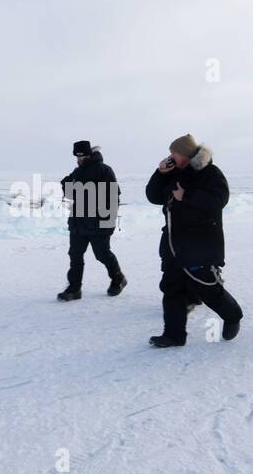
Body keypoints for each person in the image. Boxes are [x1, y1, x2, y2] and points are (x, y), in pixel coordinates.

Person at [145, 134, 243, 347]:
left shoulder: (211, 174)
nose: (171, 157)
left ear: (186, 154)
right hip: (173, 243)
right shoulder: (174, 173)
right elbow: (153, 196)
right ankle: (174, 335)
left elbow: (219, 201)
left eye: (174, 154)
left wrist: (186, 196)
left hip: (201, 243)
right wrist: (160, 173)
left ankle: (233, 315)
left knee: (207, 290)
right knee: (172, 289)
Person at [57, 140, 124, 300]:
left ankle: (118, 278)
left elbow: (114, 197)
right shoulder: (77, 171)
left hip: (98, 223)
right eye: (76, 156)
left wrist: (109, 222)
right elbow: (70, 195)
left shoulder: (104, 170)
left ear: (89, 154)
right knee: (75, 254)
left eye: (81, 156)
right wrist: (66, 184)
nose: (78, 159)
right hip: (78, 221)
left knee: (102, 254)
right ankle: (74, 289)